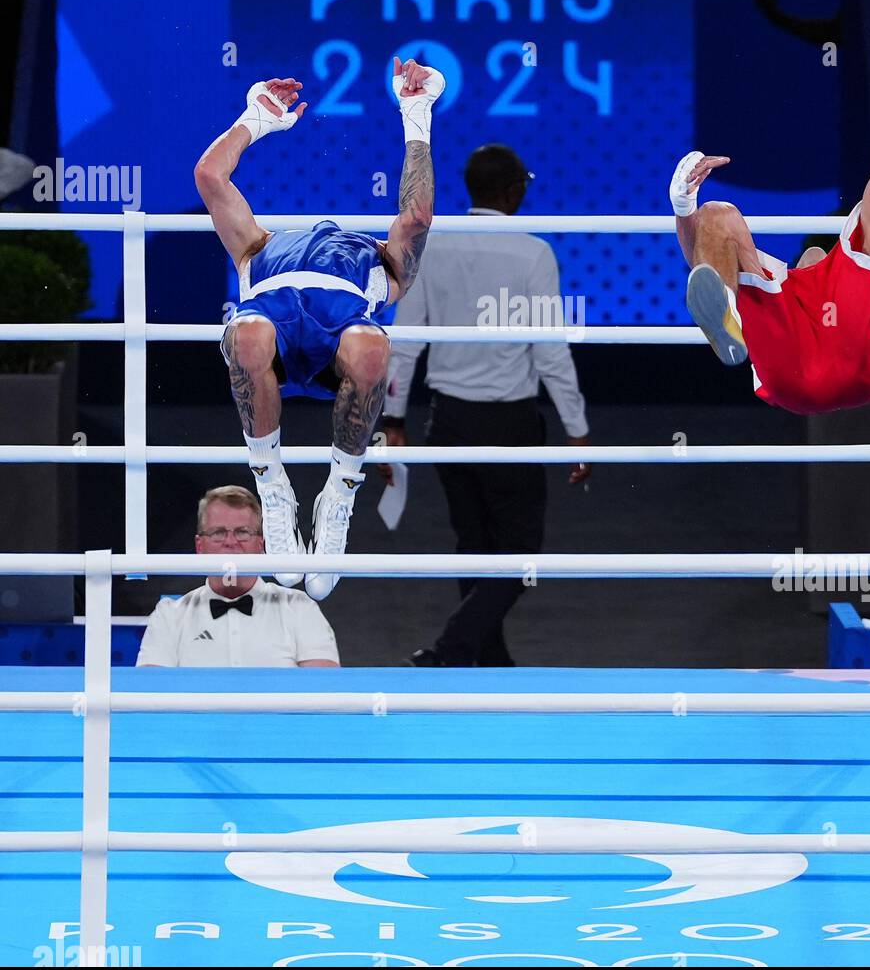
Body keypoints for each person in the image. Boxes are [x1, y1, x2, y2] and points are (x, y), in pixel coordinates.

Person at [194, 60, 442, 601]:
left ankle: (339, 494)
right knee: (247, 333)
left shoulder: (383, 262)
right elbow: (210, 177)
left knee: (375, 346)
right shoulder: (256, 247)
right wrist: (254, 118)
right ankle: (272, 487)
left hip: (345, 344)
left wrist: (416, 112)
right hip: (269, 338)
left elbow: (418, 214)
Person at [381, 144, 591, 668]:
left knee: (475, 544)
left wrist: (391, 420)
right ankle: (452, 651)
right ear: (512, 191)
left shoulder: (435, 248)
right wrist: (578, 429)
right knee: (519, 553)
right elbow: (549, 350)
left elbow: (405, 342)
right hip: (509, 424)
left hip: (448, 421)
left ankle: (492, 662)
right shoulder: (533, 253)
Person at [672, 139, 870, 415]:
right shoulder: (780, 291)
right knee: (715, 214)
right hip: (832, 364)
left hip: (802, 375)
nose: (817, 254)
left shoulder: (855, 274)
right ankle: (727, 318)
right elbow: (707, 275)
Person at [136, 486, 339, 667]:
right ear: (200, 546)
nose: (231, 542)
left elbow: (325, 694)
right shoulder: (170, 616)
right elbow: (149, 698)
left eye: (242, 532)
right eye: (218, 532)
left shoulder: (299, 607)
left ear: (261, 544)